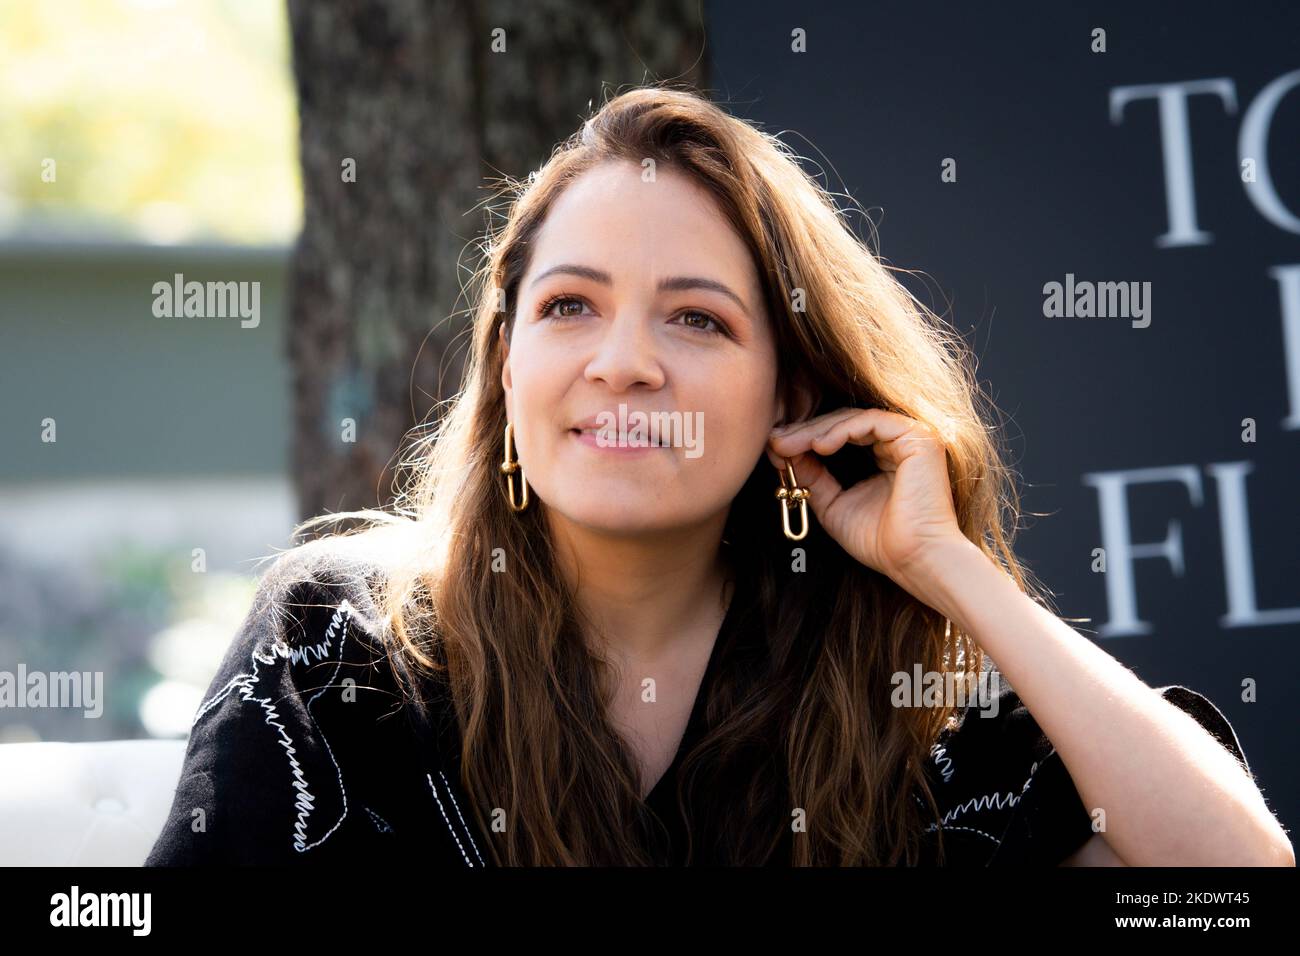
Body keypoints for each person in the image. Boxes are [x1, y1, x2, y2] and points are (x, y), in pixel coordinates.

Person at [146, 84, 1291, 867]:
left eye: (696, 319)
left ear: (790, 396)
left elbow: (1232, 875)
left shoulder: (892, 683)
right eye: (567, 306)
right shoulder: (344, 637)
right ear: (506, 368)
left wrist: (951, 569)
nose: (624, 362)